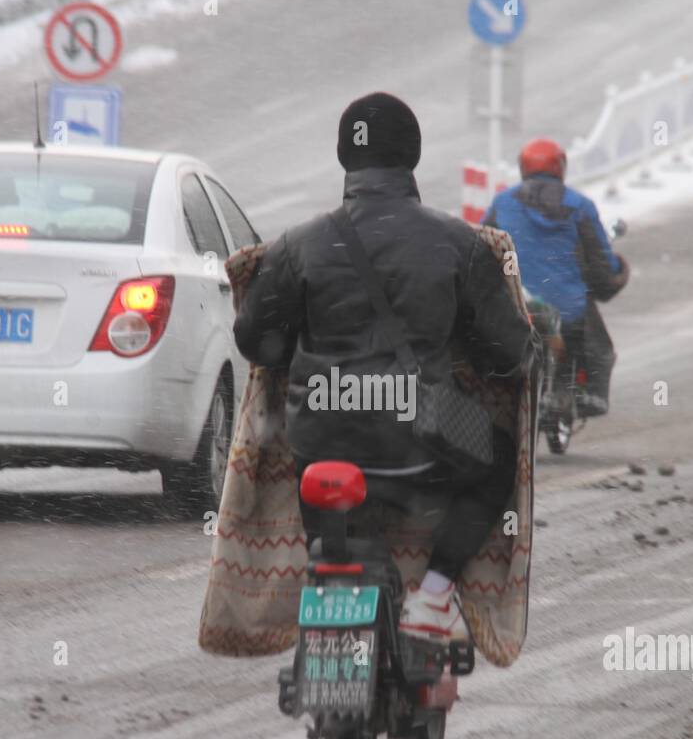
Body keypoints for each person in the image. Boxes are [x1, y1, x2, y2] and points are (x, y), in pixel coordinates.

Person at [233, 92, 535, 645]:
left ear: (346, 158)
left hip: (320, 442)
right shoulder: (459, 244)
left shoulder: (297, 245)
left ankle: (327, 574)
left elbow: (259, 345)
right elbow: (509, 356)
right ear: (412, 157)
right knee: (494, 463)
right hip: (423, 445)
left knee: (318, 485)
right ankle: (435, 594)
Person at [484, 138, 629, 416]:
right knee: (598, 346)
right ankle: (590, 393)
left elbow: (480, 246)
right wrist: (616, 272)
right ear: (561, 166)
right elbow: (601, 264)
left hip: (514, 302)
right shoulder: (580, 206)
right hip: (567, 306)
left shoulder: (502, 203)